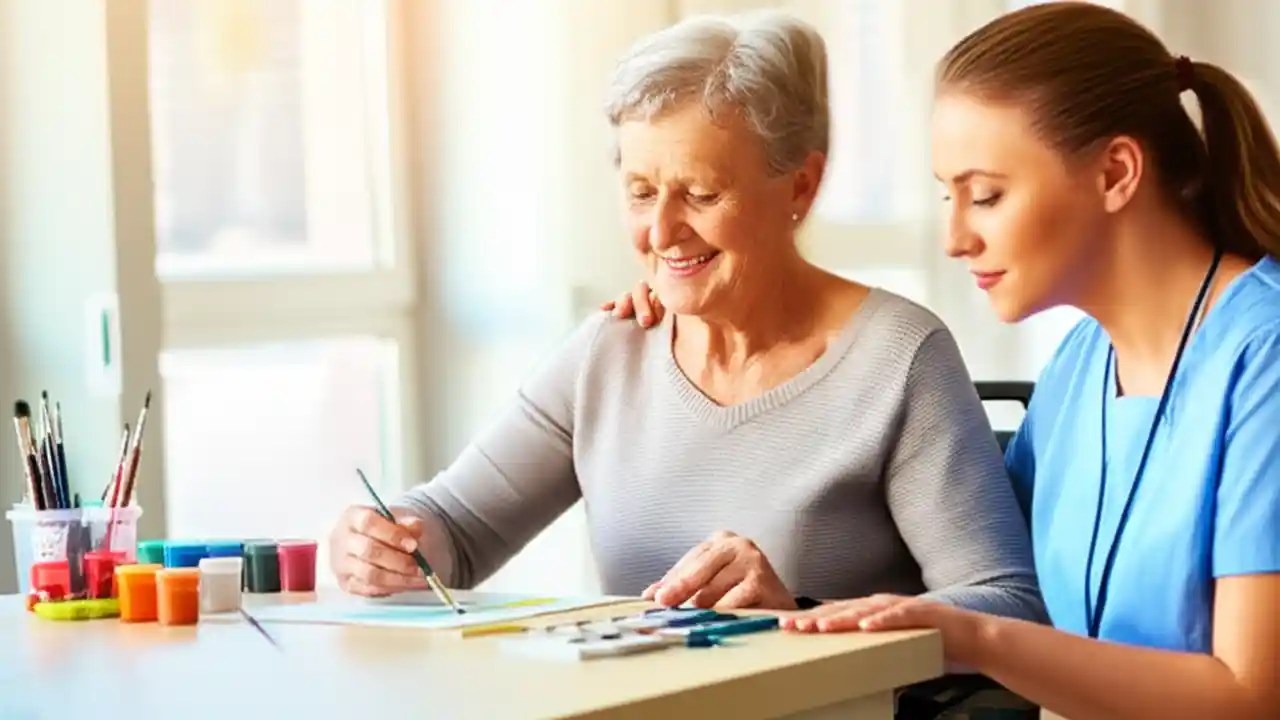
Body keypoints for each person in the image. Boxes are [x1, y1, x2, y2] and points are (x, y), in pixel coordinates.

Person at [615, 3, 1280, 717]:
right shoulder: (1079, 372)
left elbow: (1249, 694)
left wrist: (978, 638)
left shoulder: (1262, 360)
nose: (955, 237)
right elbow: (997, 587)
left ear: (1116, 171)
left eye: (986, 195)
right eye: (946, 195)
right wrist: (808, 612)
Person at [327, 11, 1044, 624]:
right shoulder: (612, 349)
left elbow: (1006, 601)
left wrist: (797, 617)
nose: (662, 232)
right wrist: (380, 545)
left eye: (700, 194)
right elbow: (456, 528)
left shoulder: (899, 356)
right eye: (641, 193)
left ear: (802, 183)